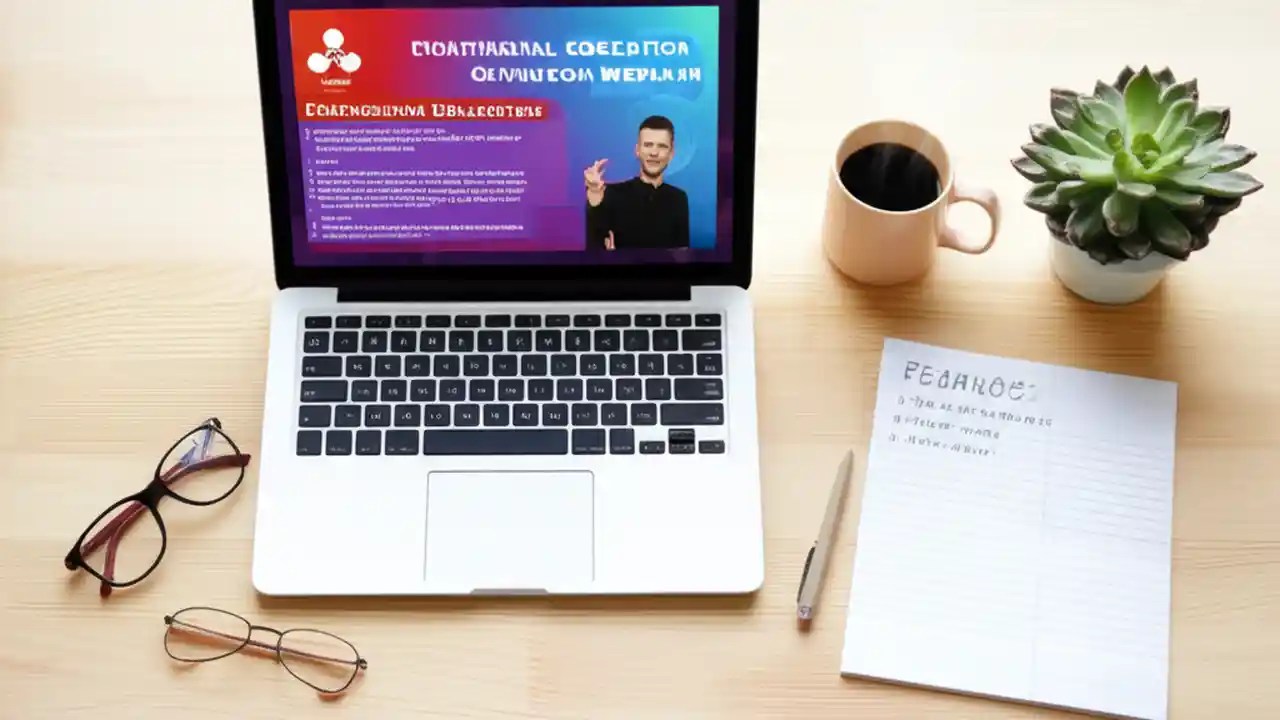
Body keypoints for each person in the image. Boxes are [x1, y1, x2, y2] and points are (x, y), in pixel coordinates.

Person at [584, 115, 690, 250]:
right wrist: (594, 193)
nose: (654, 152)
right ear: (637, 150)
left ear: (671, 153)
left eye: (662, 146)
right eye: (648, 145)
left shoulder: (678, 198)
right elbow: (594, 248)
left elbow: (682, 253)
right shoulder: (612, 195)